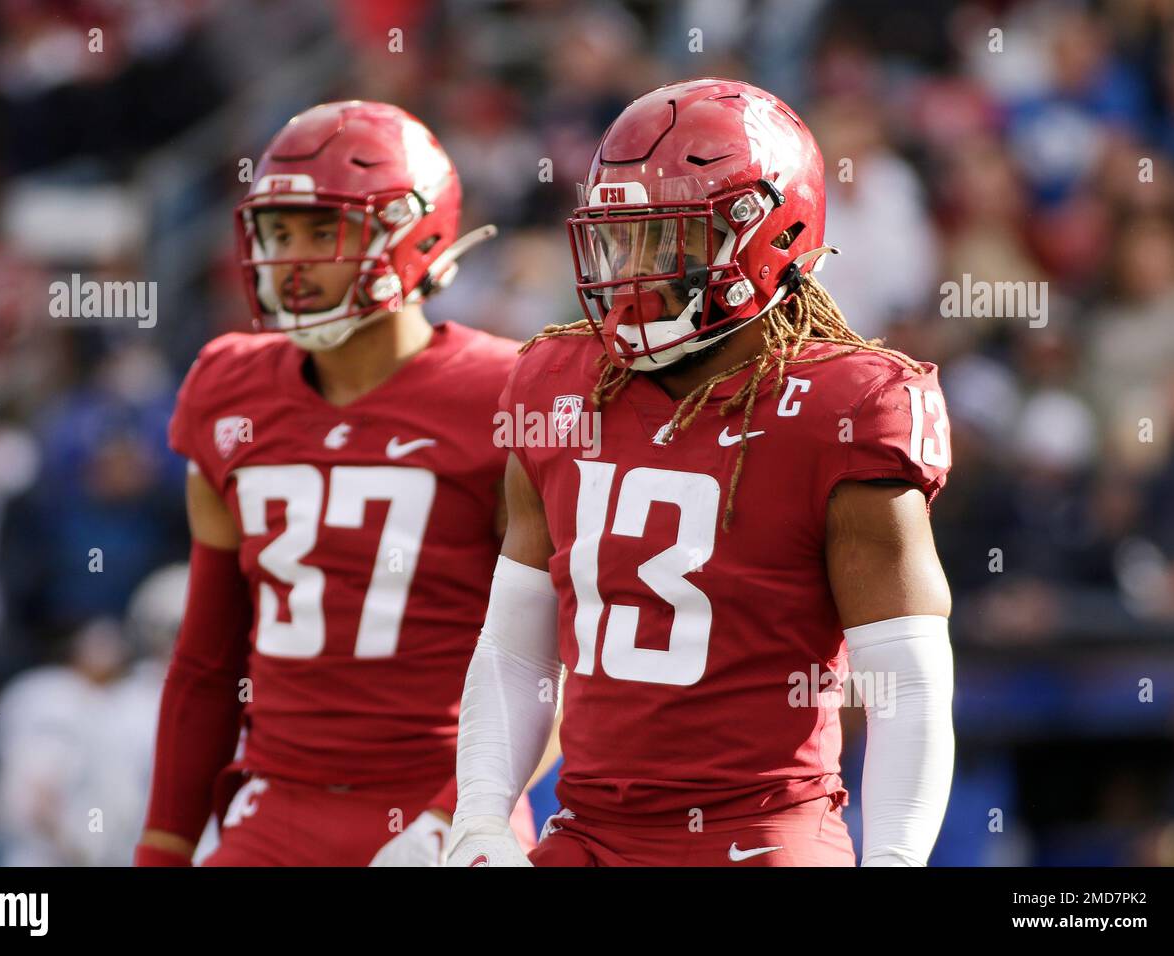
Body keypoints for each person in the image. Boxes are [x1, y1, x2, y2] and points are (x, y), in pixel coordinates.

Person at [447, 78, 955, 867]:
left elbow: (907, 685)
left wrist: (893, 860)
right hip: (586, 835)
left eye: (667, 241)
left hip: (759, 840)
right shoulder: (557, 385)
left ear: (767, 234)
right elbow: (517, 649)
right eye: (622, 239)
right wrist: (479, 820)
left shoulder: (843, 409)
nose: (633, 272)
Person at [135, 101, 537, 867]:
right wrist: (164, 846)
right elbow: (207, 659)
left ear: (416, 234)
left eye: (324, 231)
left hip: (439, 800)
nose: (294, 258)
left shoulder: (505, 393)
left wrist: (464, 818)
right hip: (277, 806)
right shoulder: (228, 387)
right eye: (280, 233)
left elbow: (554, 654)